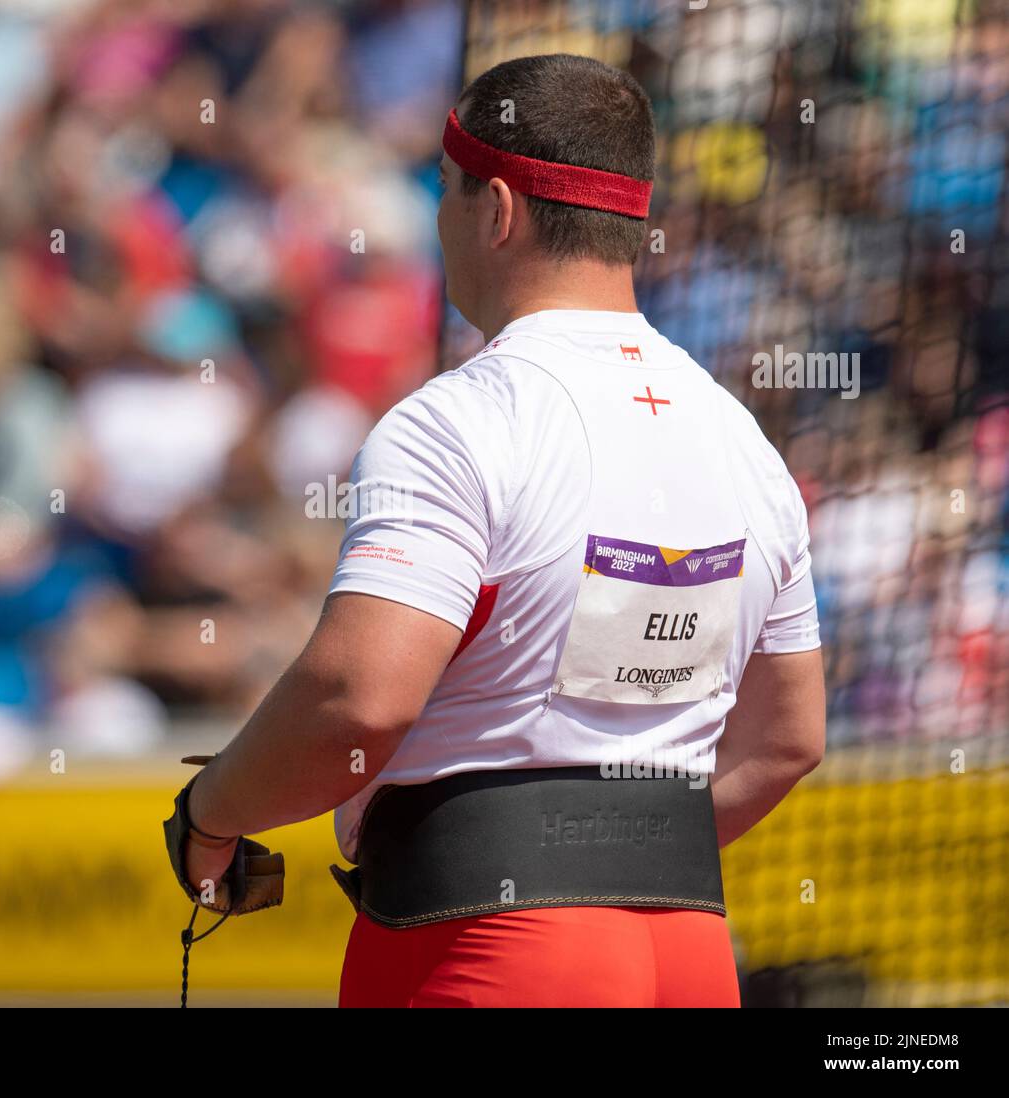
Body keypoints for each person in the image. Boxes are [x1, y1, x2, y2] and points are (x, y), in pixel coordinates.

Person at [165, 53, 825, 1008]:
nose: (438, 223)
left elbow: (359, 697)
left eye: (442, 191)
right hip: (687, 955)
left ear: (498, 210)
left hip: (484, 950)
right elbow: (787, 738)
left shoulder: (458, 421)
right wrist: (608, 856)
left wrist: (212, 811)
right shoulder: (744, 441)